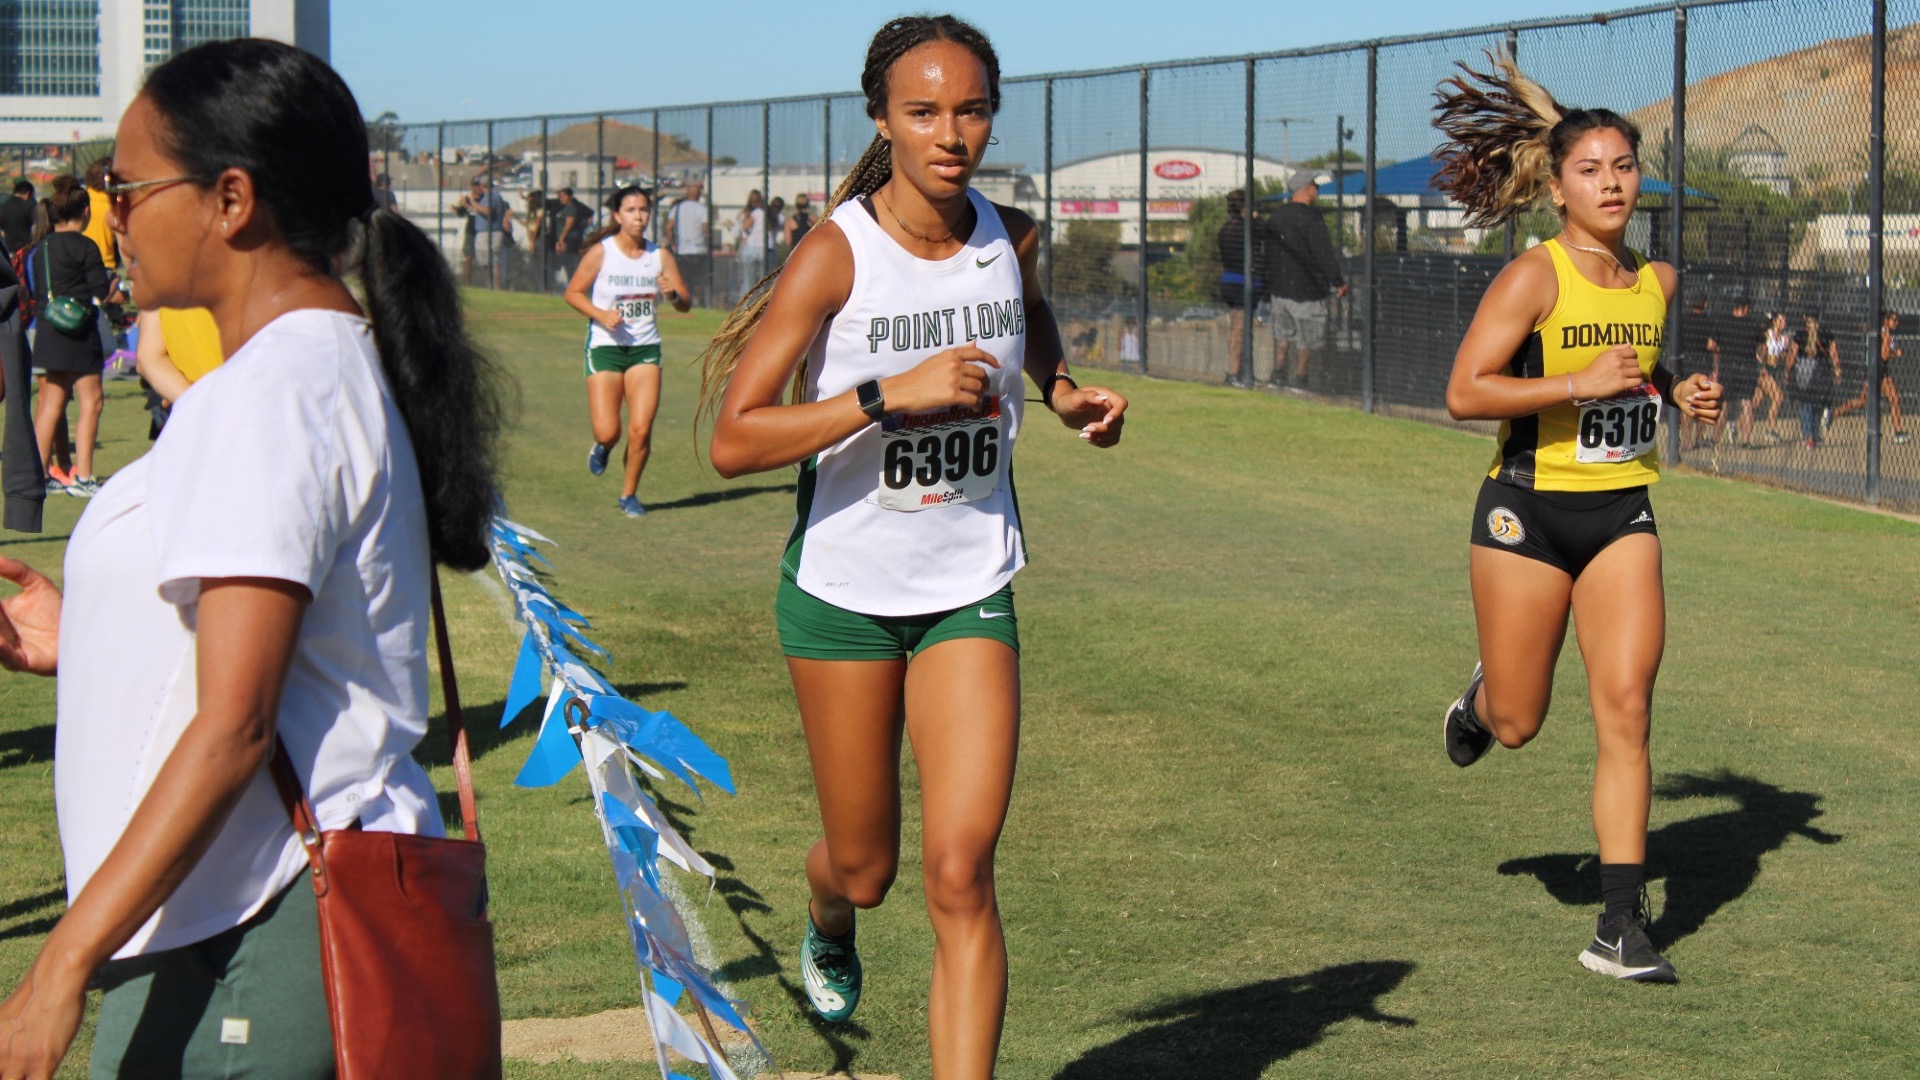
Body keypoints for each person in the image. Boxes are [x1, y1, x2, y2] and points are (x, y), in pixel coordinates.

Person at [0, 39, 502, 1080]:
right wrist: (86, 636)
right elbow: (294, 642)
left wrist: (58, 966)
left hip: (251, 923)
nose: (112, 219)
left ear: (231, 200)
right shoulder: (316, 363)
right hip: (231, 911)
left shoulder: (272, 394)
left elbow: (236, 722)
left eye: (126, 188)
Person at [698, 16, 1126, 1078]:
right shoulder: (836, 252)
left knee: (961, 871)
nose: (951, 134)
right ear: (882, 120)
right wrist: (890, 396)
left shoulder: (1007, 233)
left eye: (971, 109)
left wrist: (1064, 395)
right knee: (867, 865)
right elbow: (733, 439)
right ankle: (826, 911)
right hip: (842, 596)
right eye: (924, 111)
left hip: (969, 590)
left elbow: (1029, 321)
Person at [1432, 51, 1720, 985]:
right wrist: (1574, 383)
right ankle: (1480, 699)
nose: (1611, 183)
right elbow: (1464, 393)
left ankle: (1621, 928)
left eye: (1624, 167)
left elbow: (1631, 364)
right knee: (1520, 722)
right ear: (1555, 186)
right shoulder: (1534, 276)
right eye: (1590, 169)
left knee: (1628, 708)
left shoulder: (1655, 281)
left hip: (1623, 517)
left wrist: (1678, 390)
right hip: (1528, 515)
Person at [565, 186, 691, 517]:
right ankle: (604, 447)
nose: (639, 216)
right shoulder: (602, 253)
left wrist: (673, 296)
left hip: (644, 349)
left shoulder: (659, 257)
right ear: (618, 216)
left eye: (644, 209)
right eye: (632, 210)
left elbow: (684, 302)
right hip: (606, 348)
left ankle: (629, 495)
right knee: (609, 430)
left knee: (641, 428)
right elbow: (574, 293)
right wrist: (601, 314)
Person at [30, 175, 124, 496]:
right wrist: (114, 283)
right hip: (80, 332)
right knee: (92, 401)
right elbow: (100, 291)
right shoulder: (86, 246)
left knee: (51, 404)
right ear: (85, 211)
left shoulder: (41, 248)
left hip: (48, 329)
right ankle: (83, 477)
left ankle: (40, 476)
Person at [1264, 170, 1348, 389]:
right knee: (1306, 338)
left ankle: (1278, 373)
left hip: (1280, 290)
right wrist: (1337, 281)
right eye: (1315, 186)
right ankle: (1300, 379)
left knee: (1282, 336)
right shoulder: (1312, 217)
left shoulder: (1276, 216)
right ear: (1307, 189)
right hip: (1308, 290)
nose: (1317, 190)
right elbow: (1323, 252)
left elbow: (1269, 253)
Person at [1830, 309, 1910, 443]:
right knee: (1894, 399)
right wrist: (1896, 353)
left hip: (1876, 372)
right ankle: (1898, 432)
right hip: (1880, 374)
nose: (1896, 322)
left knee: (1863, 401)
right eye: (1894, 320)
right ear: (1886, 320)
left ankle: (1834, 413)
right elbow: (1884, 355)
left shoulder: (1882, 332)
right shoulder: (1885, 334)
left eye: (1897, 320)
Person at [1215, 189, 1263, 387]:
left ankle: (1241, 370)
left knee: (1239, 326)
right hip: (1241, 282)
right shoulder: (1245, 228)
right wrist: (1255, 221)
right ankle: (1234, 372)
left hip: (1230, 280)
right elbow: (1262, 236)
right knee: (1240, 328)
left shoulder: (1226, 228)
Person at [1713, 295, 1761, 447]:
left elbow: (1711, 345)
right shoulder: (1753, 324)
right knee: (1747, 403)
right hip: (1748, 366)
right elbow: (1763, 347)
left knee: (1725, 403)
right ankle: (1746, 440)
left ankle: (1715, 438)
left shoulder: (1723, 322)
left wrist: (1721, 351)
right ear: (1746, 308)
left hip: (1728, 366)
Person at [1793, 312, 1837, 449]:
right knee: (1817, 403)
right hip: (1822, 373)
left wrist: (1787, 370)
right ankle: (1816, 432)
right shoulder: (1826, 334)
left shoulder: (1800, 335)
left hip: (1805, 374)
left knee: (1806, 404)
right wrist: (1837, 370)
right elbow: (1834, 353)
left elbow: (1792, 354)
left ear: (1805, 318)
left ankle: (1809, 437)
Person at [462, 173, 514, 288]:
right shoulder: (488, 196)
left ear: (483, 185)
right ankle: (489, 286)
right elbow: (479, 212)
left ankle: (496, 287)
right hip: (485, 233)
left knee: (493, 262)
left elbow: (487, 211)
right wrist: (467, 205)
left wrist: (473, 202)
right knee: (487, 263)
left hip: (490, 233)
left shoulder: (492, 196)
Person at [668, 178, 709, 305]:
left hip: (682, 250)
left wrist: (672, 243)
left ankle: (686, 301)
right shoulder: (702, 209)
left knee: (685, 279)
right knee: (700, 280)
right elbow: (705, 228)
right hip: (699, 249)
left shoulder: (677, 208)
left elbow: (669, 227)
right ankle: (701, 303)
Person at [1756, 310, 1792, 443]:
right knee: (1778, 397)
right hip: (1763, 371)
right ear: (1774, 321)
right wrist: (1763, 368)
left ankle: (1735, 425)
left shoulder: (1784, 339)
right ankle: (1770, 430)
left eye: (1785, 321)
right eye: (1781, 320)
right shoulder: (1767, 335)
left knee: (1756, 401)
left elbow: (1782, 357)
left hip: (1773, 372)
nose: (1784, 323)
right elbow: (1759, 354)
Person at [550, 186, 592, 288]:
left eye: (563, 196)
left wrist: (561, 239)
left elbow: (569, 224)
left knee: (569, 263)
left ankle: (573, 285)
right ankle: (570, 284)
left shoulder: (571, 208)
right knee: (567, 263)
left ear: (569, 196)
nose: (561, 198)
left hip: (569, 239)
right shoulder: (565, 207)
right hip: (567, 238)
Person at [0, 179, 35, 254]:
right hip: (25, 250)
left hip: (8, 250)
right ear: (28, 194)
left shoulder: (3, 206)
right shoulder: (29, 206)